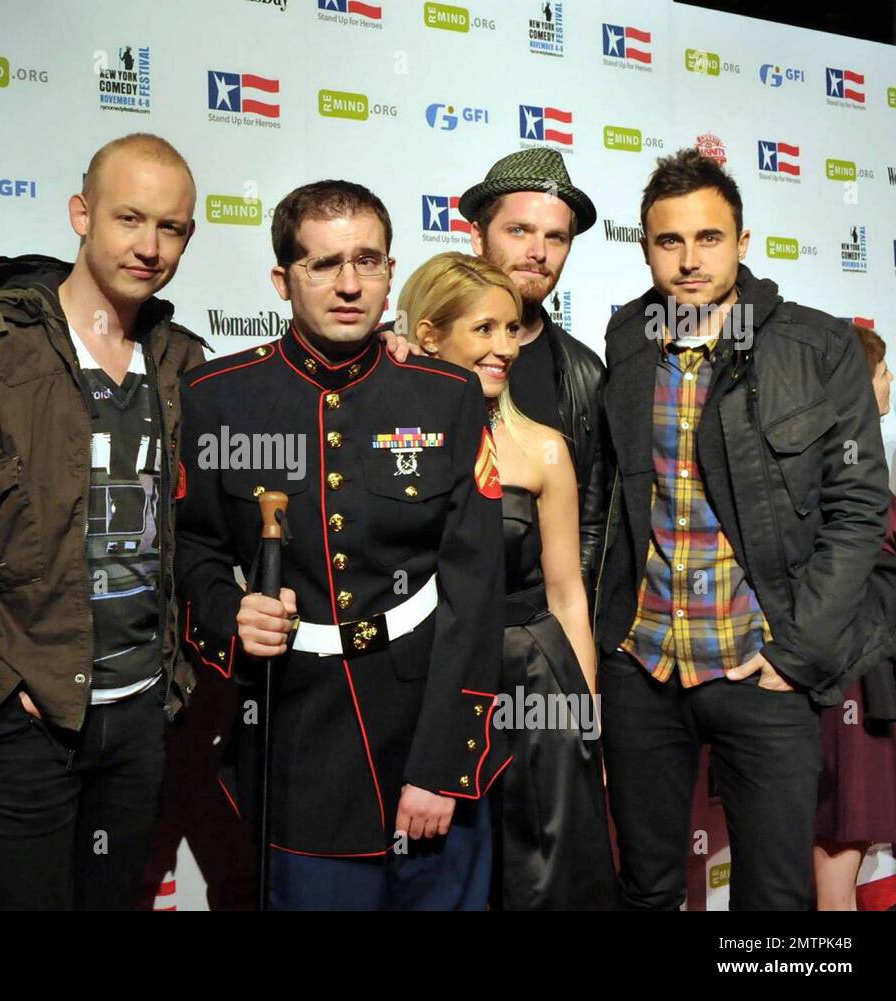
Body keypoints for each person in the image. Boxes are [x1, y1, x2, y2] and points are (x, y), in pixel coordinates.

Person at [176, 180, 509, 910]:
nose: (350, 284)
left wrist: (443, 764)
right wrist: (230, 613)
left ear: (393, 270)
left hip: (427, 725)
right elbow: (191, 546)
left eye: (368, 260)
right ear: (282, 279)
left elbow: (476, 590)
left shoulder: (445, 394)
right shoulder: (219, 396)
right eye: (324, 264)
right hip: (295, 738)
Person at [0, 133, 207, 910]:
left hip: (141, 712)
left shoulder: (182, 358)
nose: (148, 246)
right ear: (82, 215)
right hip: (28, 718)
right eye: (128, 218)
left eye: (171, 228)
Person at [596, 148, 891, 910]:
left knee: (774, 900)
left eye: (709, 238)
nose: (690, 261)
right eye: (670, 241)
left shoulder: (817, 346)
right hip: (646, 664)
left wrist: (797, 654)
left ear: (743, 242)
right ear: (646, 248)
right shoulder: (628, 340)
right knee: (647, 887)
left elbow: (858, 510)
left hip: (761, 666)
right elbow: (615, 499)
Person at [399, 252, 616, 909]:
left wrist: (586, 722)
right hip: (429, 688)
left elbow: (567, 595)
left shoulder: (546, 448)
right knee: (445, 877)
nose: (505, 347)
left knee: (542, 880)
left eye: (512, 329)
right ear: (431, 335)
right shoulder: (394, 439)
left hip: (534, 687)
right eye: (485, 329)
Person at [459, 149, 609, 598]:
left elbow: (591, 525)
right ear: (478, 236)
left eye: (557, 237)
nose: (538, 253)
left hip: (533, 639)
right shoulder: (409, 353)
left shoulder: (585, 375)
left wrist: (559, 644)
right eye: (519, 230)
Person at [814, 324, 896, 910]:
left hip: (873, 675)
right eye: (882, 371)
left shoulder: (864, 461)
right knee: (840, 836)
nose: (891, 380)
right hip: (848, 679)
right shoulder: (837, 470)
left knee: (853, 835)